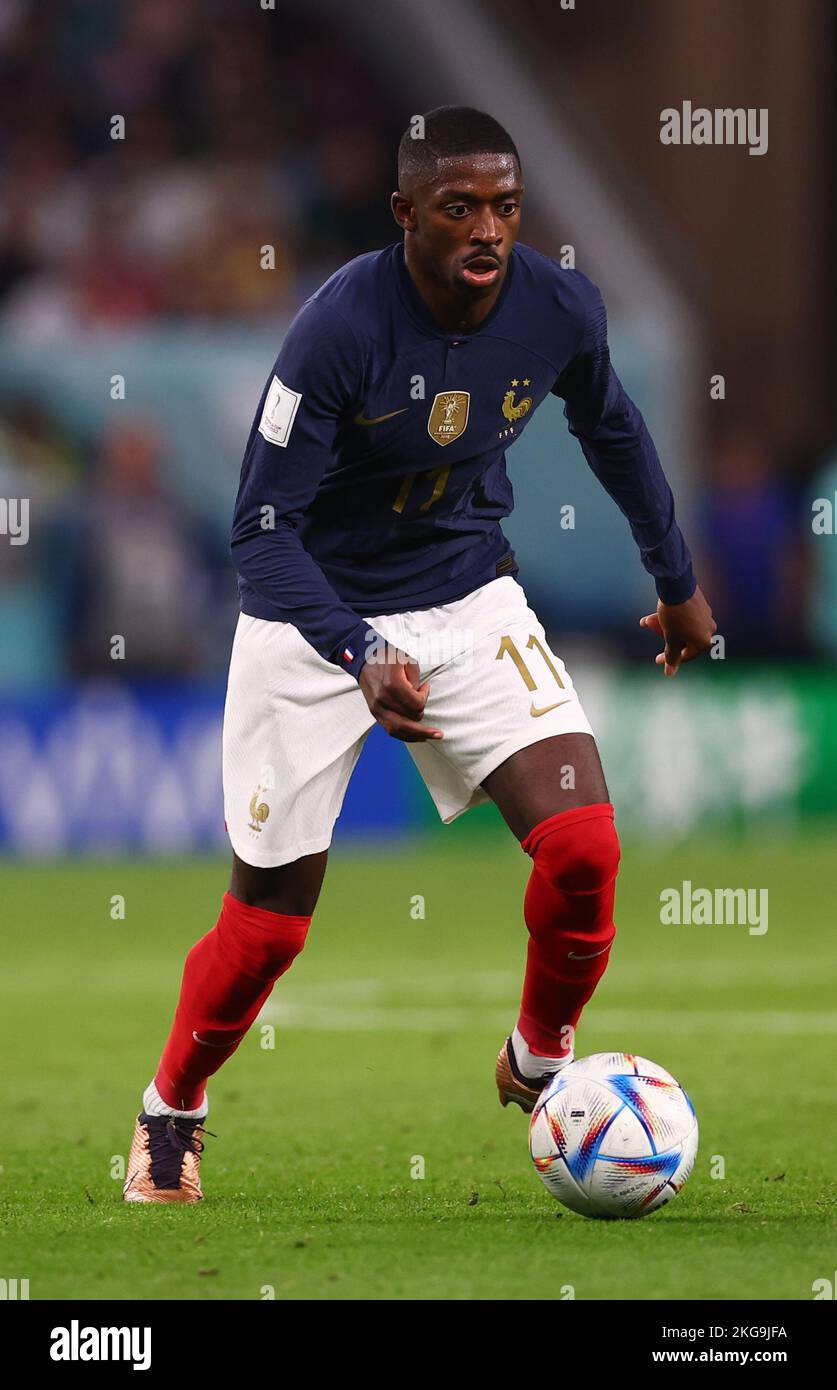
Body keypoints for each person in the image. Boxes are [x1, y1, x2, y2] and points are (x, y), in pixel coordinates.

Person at [123, 106, 715, 1203]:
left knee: (585, 845)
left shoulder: (556, 304)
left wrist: (675, 583)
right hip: (312, 622)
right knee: (265, 932)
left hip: (465, 595)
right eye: (460, 208)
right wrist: (356, 650)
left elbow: (616, 431)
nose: (488, 229)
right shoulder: (340, 328)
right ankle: (173, 1110)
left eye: (505, 205)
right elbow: (259, 527)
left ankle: (540, 1054)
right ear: (406, 216)